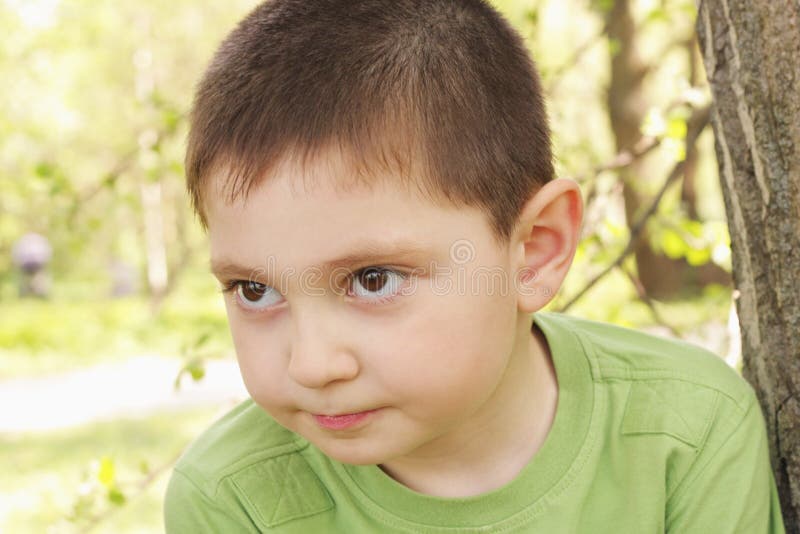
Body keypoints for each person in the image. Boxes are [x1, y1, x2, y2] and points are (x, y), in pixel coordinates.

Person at [164, 1, 785, 532]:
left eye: (372, 280)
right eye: (254, 290)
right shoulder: (232, 500)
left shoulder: (688, 435)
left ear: (534, 248)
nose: (311, 365)